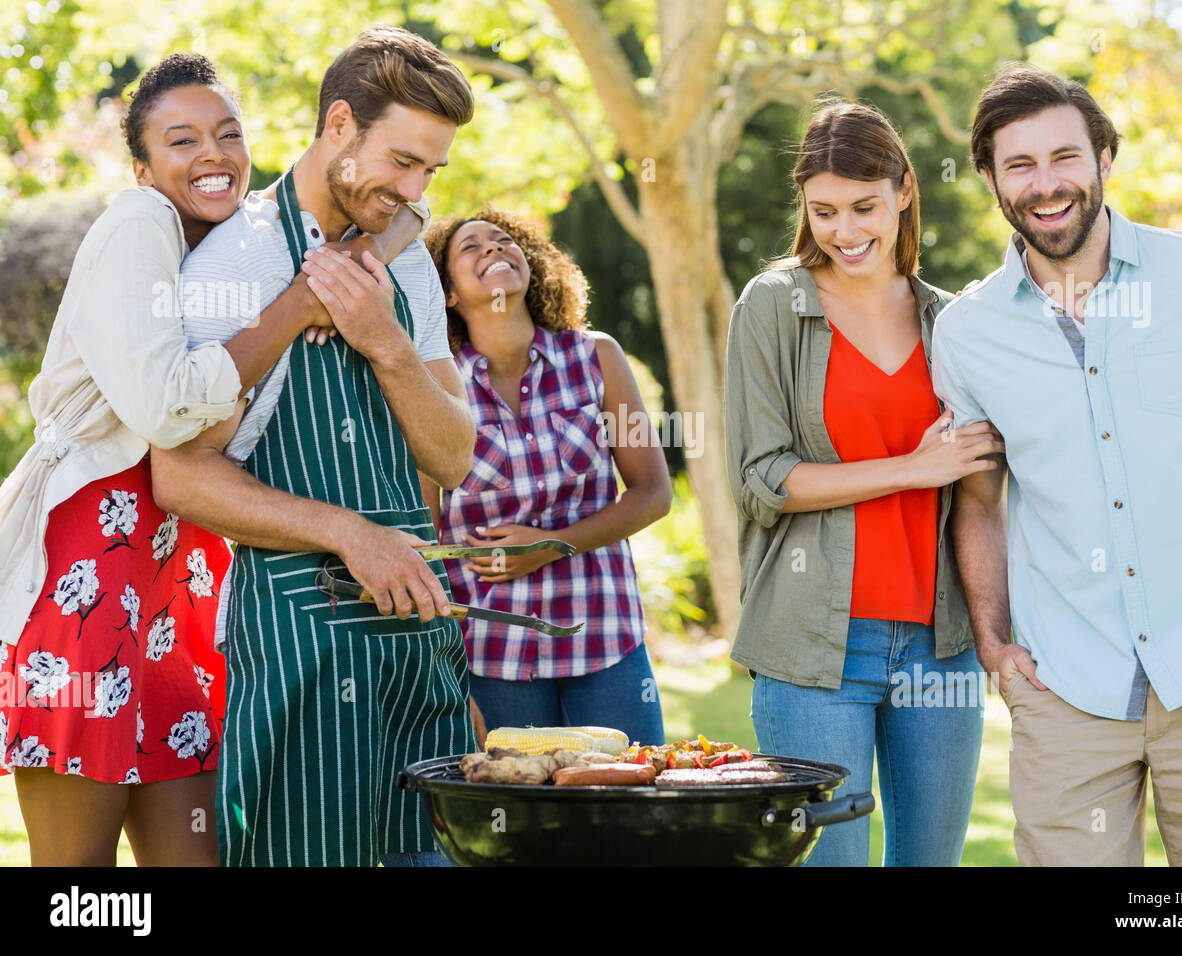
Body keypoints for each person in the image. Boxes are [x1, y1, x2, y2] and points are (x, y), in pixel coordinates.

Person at [0, 53, 426, 867]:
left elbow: (389, 226)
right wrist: (303, 302)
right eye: (182, 139)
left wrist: (383, 228)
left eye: (228, 134)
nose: (213, 155)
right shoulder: (138, 223)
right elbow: (163, 406)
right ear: (142, 166)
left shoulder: (234, 247)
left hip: (182, 579)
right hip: (94, 572)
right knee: (77, 881)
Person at [934, 64, 1182, 866]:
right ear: (991, 180)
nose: (1046, 184)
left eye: (1065, 156)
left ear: (1105, 158)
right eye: (1020, 165)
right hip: (1067, 691)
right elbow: (980, 501)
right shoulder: (968, 333)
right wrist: (996, 645)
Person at [149, 26, 483, 868]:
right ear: (339, 124)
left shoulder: (404, 258)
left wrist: (388, 344)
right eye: (402, 161)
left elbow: (452, 458)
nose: (416, 191)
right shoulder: (238, 263)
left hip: (417, 644)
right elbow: (182, 475)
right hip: (303, 646)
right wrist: (350, 533)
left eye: (431, 172)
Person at [723, 102, 1002, 867]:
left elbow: (984, 497)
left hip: (938, 651)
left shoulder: (953, 322)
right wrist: (913, 469)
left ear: (905, 190)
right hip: (813, 647)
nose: (845, 232)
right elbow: (759, 479)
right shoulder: (774, 306)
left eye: (864, 208)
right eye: (824, 212)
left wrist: (996, 636)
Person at [422, 208, 670, 746]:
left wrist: (552, 547)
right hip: (490, 648)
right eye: (471, 247)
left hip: (604, 635)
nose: (492, 249)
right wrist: (447, 674)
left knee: (635, 814)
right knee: (517, 824)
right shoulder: (436, 389)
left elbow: (653, 494)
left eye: (503, 240)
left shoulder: (596, 357)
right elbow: (427, 539)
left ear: (530, 264)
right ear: (446, 294)